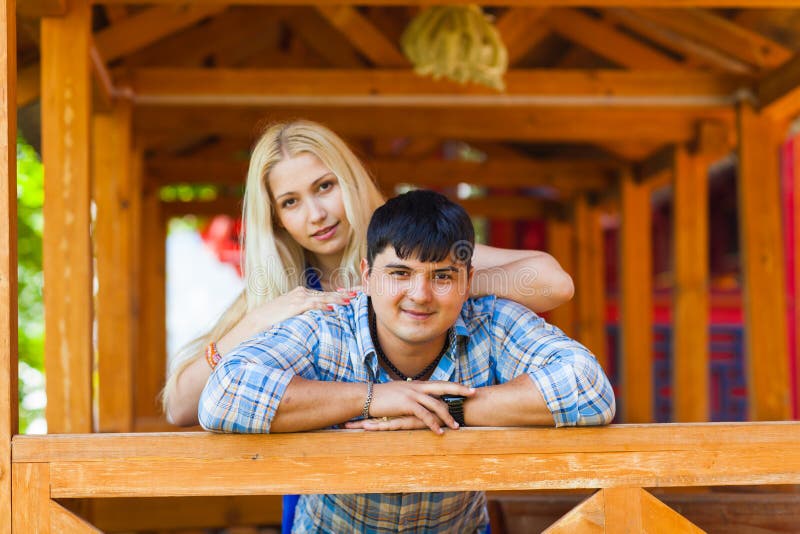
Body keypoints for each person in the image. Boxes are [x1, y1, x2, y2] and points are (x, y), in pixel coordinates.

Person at [199, 190, 615, 534]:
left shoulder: (491, 321)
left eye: (442, 276)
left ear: (468, 281)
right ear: (366, 276)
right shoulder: (327, 327)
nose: (420, 294)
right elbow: (223, 394)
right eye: (399, 273)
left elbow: (589, 388)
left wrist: (447, 407)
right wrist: (377, 398)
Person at [163, 120, 575, 427]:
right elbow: (180, 407)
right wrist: (252, 322)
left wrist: (416, 286)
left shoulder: (412, 249)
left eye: (325, 186)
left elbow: (554, 283)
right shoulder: (283, 293)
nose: (316, 213)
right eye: (291, 202)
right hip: (319, 492)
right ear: (276, 221)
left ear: (350, 180)